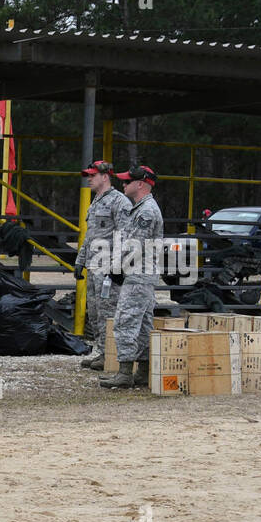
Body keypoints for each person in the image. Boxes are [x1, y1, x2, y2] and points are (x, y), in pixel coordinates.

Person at [101, 165, 162, 390]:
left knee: (125, 321)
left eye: (127, 182)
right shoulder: (143, 208)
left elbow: (134, 245)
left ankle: (125, 372)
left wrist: (117, 268)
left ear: (140, 184)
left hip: (138, 275)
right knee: (144, 324)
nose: (123, 185)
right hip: (141, 275)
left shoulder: (146, 211)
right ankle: (143, 372)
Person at [73, 160, 131, 370]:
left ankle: (113, 356)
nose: (89, 179)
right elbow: (90, 236)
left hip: (108, 268)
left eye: (92, 175)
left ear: (105, 176)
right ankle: (103, 353)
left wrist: (117, 267)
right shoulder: (96, 201)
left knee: (109, 313)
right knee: (95, 312)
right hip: (95, 266)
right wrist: (80, 261)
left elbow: (125, 237)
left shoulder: (119, 202)